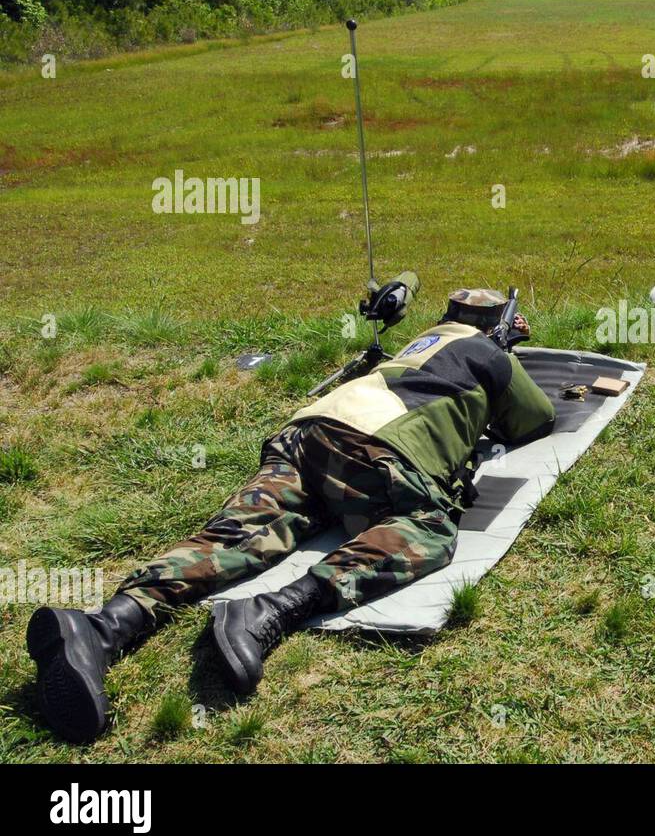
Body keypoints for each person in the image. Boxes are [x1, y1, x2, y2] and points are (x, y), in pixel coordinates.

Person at [26, 287, 555, 742]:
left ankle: (105, 625)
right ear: (496, 328)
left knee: (236, 534)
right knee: (430, 532)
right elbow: (535, 421)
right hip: (382, 455)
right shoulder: (490, 355)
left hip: (310, 431)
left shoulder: (423, 343)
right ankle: (271, 610)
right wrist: (507, 355)